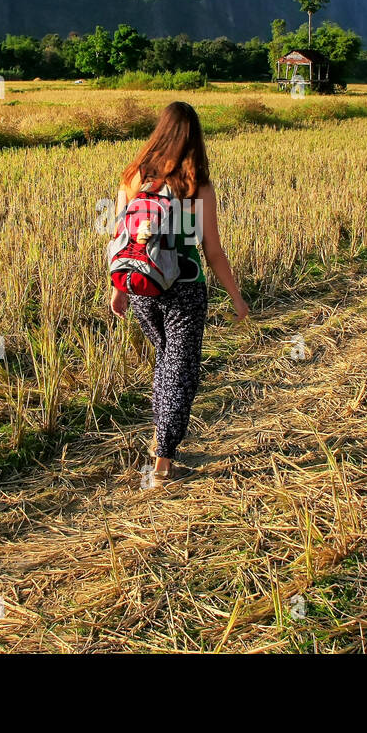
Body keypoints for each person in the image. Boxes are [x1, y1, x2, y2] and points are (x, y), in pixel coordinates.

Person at [108, 101, 249, 484]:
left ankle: (161, 438)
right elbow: (212, 250)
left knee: (166, 363)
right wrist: (237, 299)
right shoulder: (195, 184)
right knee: (178, 370)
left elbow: (120, 238)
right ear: (194, 138)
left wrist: (119, 289)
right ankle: (162, 461)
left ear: (160, 132)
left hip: (142, 287)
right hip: (184, 289)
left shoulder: (133, 177)